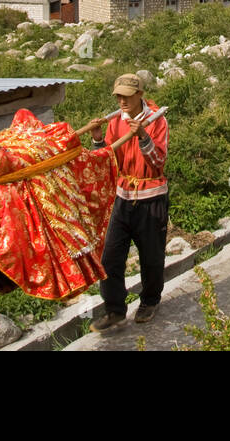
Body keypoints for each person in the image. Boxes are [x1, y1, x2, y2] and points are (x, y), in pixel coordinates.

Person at [90, 73, 168, 331]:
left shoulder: (157, 120)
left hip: (151, 197)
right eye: (118, 96)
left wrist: (144, 137)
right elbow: (106, 161)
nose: (122, 101)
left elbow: (157, 163)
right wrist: (98, 139)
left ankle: (150, 301)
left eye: (126, 96)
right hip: (123, 196)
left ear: (139, 95)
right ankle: (114, 309)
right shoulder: (116, 122)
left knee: (151, 256)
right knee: (110, 256)